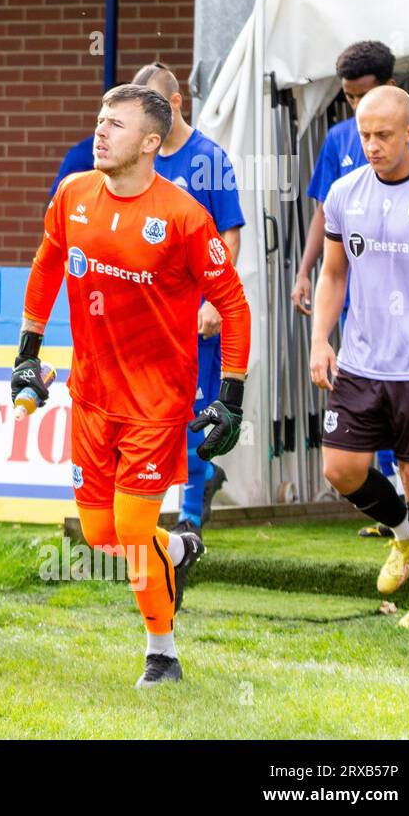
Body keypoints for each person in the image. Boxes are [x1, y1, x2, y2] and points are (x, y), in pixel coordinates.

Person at [13, 84, 250, 688]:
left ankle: (162, 653)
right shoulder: (73, 194)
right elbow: (45, 267)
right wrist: (27, 354)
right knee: (100, 534)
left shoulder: (183, 215)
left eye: (115, 125)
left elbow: (235, 305)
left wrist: (231, 396)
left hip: (156, 402)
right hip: (90, 394)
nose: (100, 132)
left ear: (150, 142)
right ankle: (178, 549)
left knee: (133, 531)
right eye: (99, 120)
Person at [309, 86, 409, 628]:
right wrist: (322, 340)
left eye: (384, 135)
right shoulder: (345, 193)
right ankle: (403, 534)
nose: (372, 145)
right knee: (340, 469)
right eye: (364, 134)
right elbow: (334, 274)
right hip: (361, 362)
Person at [132, 62, 244, 536]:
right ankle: (155, 506)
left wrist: (216, 302)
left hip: (196, 312)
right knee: (153, 414)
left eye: (153, 110)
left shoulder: (208, 158)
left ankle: (191, 520)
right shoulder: (142, 156)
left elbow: (230, 234)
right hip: (149, 314)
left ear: (175, 103)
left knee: (195, 413)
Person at [293, 41, 409, 314]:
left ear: (390, 85)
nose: (356, 105)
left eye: (363, 95)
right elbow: (324, 212)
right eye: (349, 96)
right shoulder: (337, 137)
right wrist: (304, 271)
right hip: (357, 297)